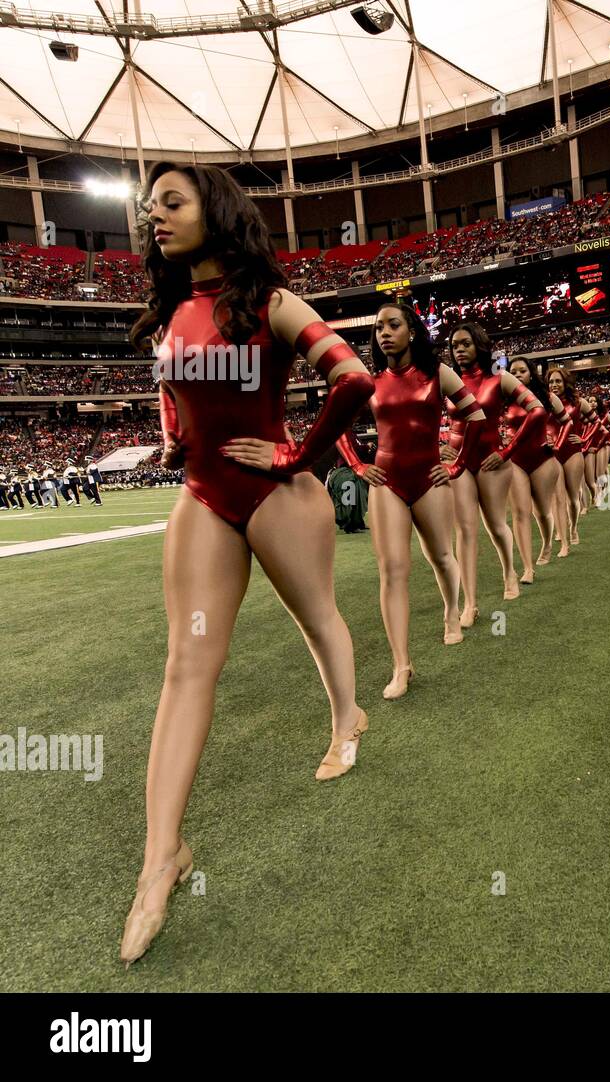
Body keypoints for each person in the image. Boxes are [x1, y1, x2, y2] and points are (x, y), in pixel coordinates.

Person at [119, 160, 375, 966]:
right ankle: (162, 857)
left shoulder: (271, 302)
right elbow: (174, 388)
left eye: (172, 201)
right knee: (186, 667)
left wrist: (301, 449)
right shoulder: (169, 316)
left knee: (317, 617)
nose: (153, 215)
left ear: (214, 210)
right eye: (148, 205)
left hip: (277, 491)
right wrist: (172, 436)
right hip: (204, 496)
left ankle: (348, 721)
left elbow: (353, 376)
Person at [337, 302, 487, 698]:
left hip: (429, 477)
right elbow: (337, 424)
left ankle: (452, 613)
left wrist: (456, 468)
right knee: (392, 571)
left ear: (412, 331)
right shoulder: (368, 382)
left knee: (441, 555)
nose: (384, 332)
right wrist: (357, 465)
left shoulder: (438, 373)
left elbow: (476, 417)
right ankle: (402, 665)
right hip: (386, 481)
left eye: (393, 325)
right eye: (378, 327)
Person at [443, 326, 533, 624]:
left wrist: (506, 452)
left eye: (466, 343)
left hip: (491, 460)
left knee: (495, 525)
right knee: (465, 531)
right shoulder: (447, 380)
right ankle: (469, 603)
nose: (459, 349)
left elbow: (536, 411)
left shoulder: (500, 378)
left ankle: (509, 572)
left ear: (479, 345)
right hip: (457, 460)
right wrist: (438, 446)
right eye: (455, 345)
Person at [506, 357, 562, 578]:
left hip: (542, 458)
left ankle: (547, 543)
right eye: (513, 371)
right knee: (521, 513)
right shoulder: (503, 398)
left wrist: (556, 441)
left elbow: (565, 421)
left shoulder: (547, 397)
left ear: (531, 374)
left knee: (541, 511)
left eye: (522, 371)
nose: (518, 375)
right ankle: (528, 567)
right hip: (515, 460)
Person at [545, 365, 593, 553]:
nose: (554, 385)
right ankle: (562, 536)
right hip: (552, 453)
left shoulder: (578, 402)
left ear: (565, 383)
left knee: (573, 497)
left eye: (558, 381)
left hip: (572, 451)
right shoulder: (543, 402)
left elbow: (597, 422)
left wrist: (584, 438)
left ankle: (573, 528)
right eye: (551, 382)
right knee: (557, 497)